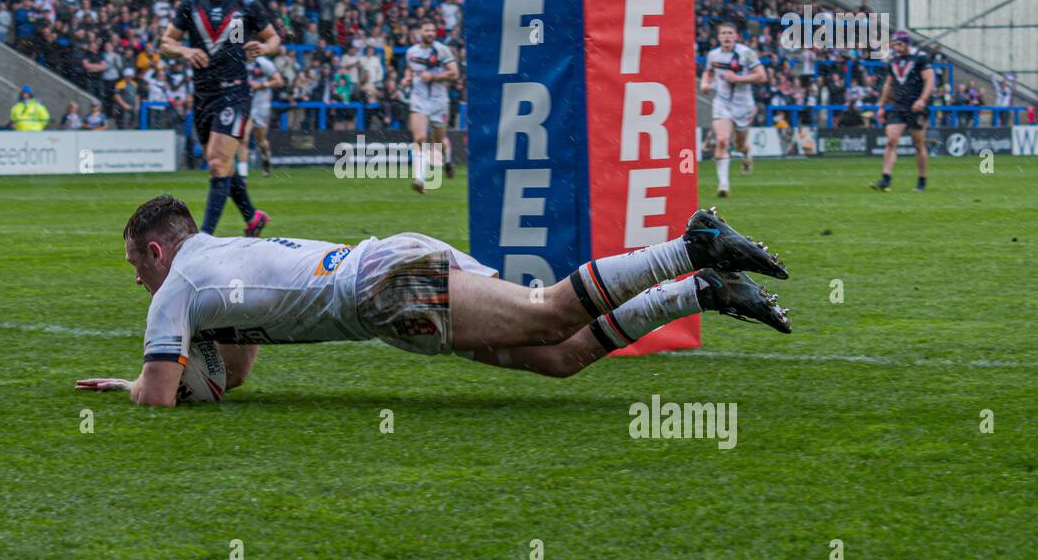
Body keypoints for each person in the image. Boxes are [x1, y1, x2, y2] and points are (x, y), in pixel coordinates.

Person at [75, 196, 792, 407]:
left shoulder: (178, 287)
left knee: (548, 315)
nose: (136, 279)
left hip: (383, 292)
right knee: (561, 358)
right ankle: (702, 289)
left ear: (157, 252)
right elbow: (234, 375)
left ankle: (691, 246)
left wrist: (138, 381)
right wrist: (196, 360)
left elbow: (161, 402)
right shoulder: (213, 265)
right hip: (388, 270)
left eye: (135, 264)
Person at [158, 0, 282, 236]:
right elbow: (165, 43)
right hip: (203, 95)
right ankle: (252, 218)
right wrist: (185, 52)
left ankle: (204, 238)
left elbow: (274, 38)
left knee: (217, 162)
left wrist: (265, 47)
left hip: (235, 92)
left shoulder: (247, 6)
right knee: (220, 164)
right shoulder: (189, 5)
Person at [700, 21, 767, 198]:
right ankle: (723, 185)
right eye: (723, 33)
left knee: (739, 144)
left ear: (736, 36)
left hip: (743, 104)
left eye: (730, 33)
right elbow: (709, 72)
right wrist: (705, 83)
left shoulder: (746, 53)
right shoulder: (713, 55)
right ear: (718, 37)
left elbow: (762, 76)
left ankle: (746, 154)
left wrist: (737, 78)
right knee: (722, 140)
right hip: (722, 102)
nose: (727, 36)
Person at [872, 31, 935, 192]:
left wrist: (922, 99)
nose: (897, 48)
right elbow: (889, 84)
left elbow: (930, 80)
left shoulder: (920, 58)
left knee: (918, 144)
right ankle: (885, 179)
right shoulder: (894, 60)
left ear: (907, 44)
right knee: (891, 140)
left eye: (900, 44)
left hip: (916, 106)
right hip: (899, 106)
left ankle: (922, 180)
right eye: (895, 45)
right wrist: (881, 105)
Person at [403, 20, 458, 193]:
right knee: (419, 138)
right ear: (420, 32)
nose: (430, 33)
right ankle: (420, 180)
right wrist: (407, 78)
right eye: (427, 30)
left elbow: (454, 73)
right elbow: (410, 69)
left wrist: (433, 77)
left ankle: (447, 160)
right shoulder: (411, 52)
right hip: (418, 98)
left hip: (438, 100)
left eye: (433, 30)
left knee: (439, 142)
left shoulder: (442, 50)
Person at [246, 53, 283, 177]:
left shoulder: (263, 63)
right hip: (245, 104)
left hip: (261, 105)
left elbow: (279, 81)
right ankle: (242, 173)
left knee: (261, 141)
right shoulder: (239, 61)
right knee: (243, 137)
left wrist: (262, 85)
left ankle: (266, 160)